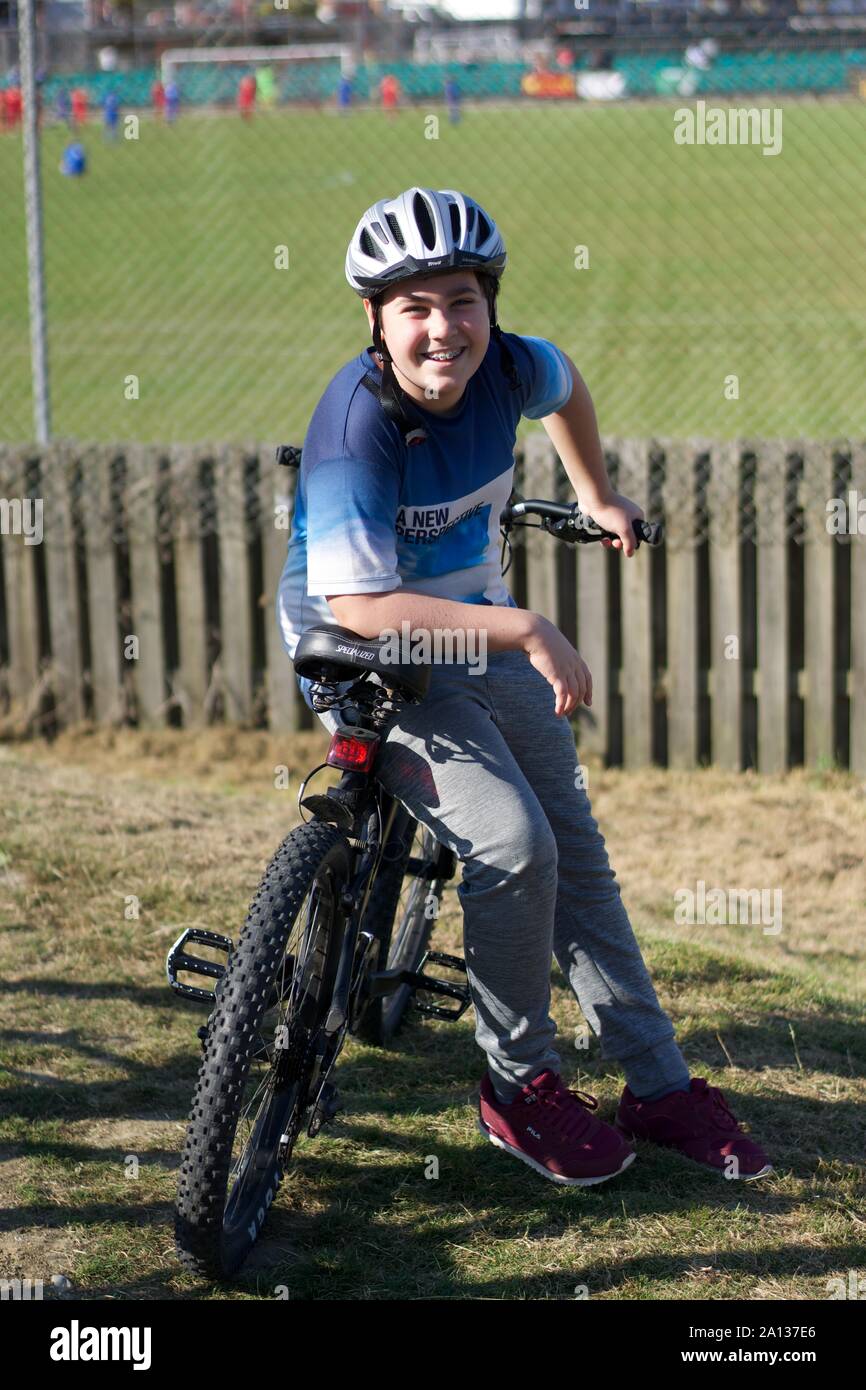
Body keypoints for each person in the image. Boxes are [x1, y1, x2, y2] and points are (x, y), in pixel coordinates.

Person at [276, 187, 772, 1188]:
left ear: (489, 306)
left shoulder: (509, 365)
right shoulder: (355, 427)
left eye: (461, 300)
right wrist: (528, 628)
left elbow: (566, 384)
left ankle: (657, 1083)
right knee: (512, 843)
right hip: (365, 642)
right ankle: (518, 1083)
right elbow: (363, 608)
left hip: (475, 623)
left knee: (571, 851)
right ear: (373, 318)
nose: (442, 329)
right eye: (413, 307)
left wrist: (597, 494)